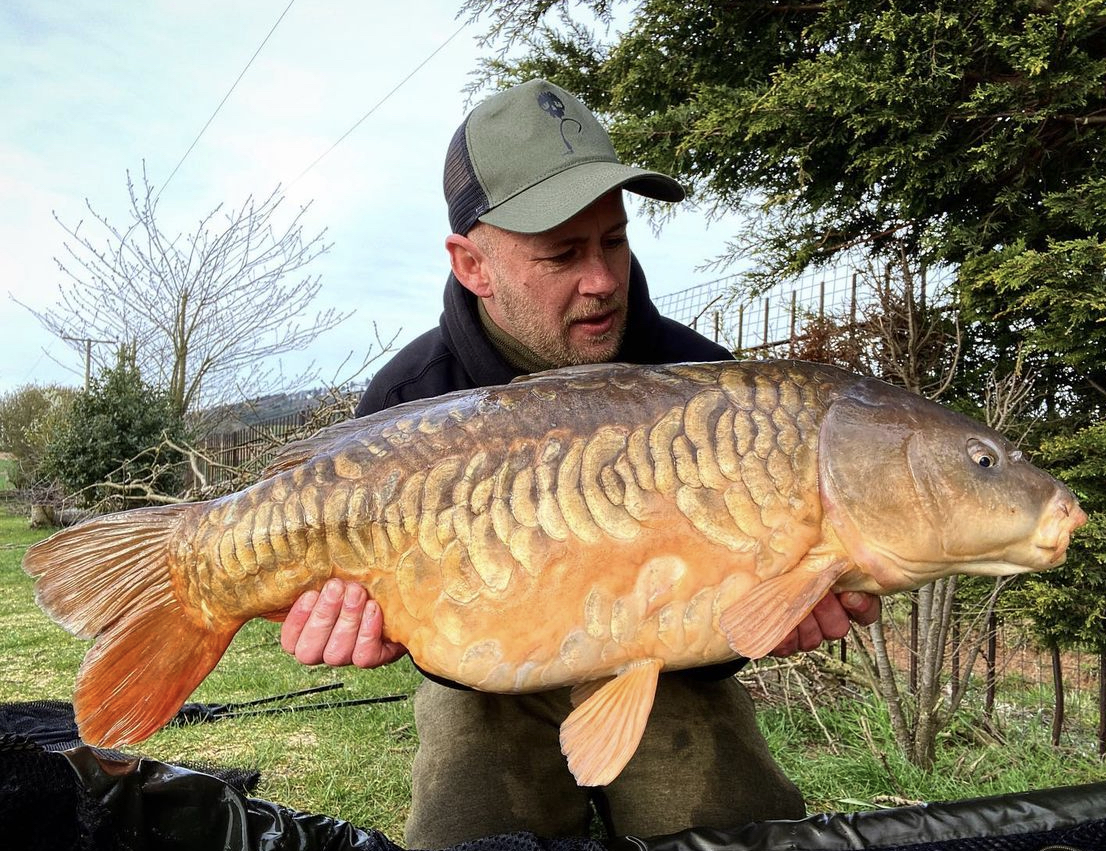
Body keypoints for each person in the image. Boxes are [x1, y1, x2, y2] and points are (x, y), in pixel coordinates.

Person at [281, 79, 880, 847]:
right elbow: (422, 632)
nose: (601, 280)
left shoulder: (707, 383)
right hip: (489, 679)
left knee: (733, 827)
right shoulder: (410, 398)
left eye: (613, 240)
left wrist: (771, 618)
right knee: (469, 829)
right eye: (561, 253)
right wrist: (376, 629)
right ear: (473, 265)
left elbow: (736, 605)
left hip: (670, 672)